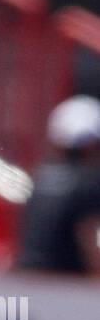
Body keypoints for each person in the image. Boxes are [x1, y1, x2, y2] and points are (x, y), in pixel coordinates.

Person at [18, 95, 100, 276]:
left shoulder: (37, 178)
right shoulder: (89, 184)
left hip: (26, 279)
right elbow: (89, 237)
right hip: (66, 288)